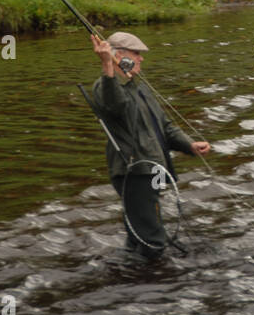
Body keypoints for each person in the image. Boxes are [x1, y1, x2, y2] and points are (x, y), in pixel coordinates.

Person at [89, 31, 209, 257]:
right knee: (153, 236)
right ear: (118, 56)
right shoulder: (104, 87)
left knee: (140, 229)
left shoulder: (140, 87)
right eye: (136, 54)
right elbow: (116, 105)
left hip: (152, 168)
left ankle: (131, 276)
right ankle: (157, 283)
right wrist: (107, 64)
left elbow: (164, 125)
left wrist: (189, 145)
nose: (141, 58)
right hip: (134, 171)